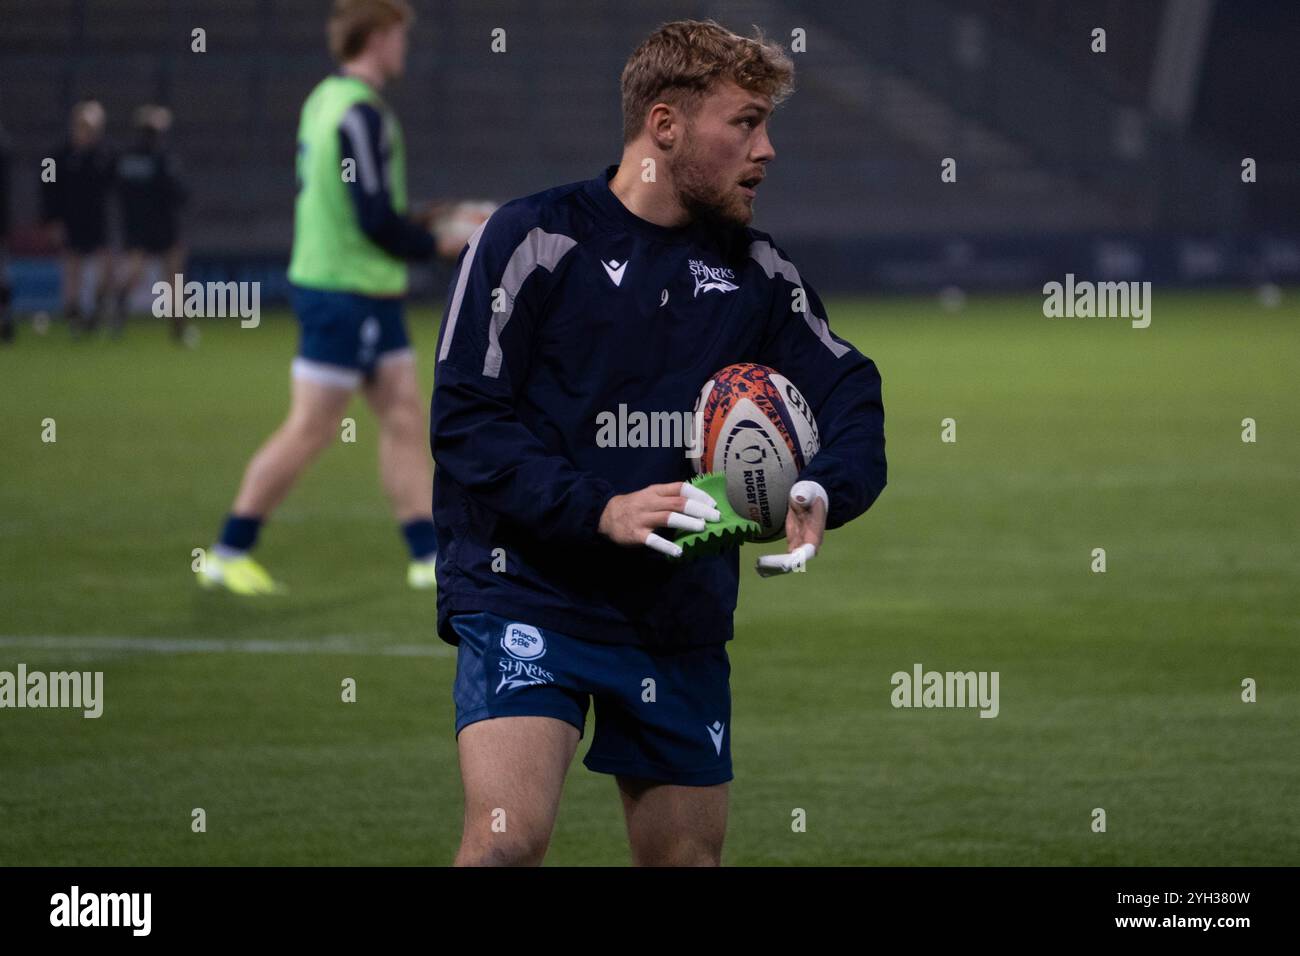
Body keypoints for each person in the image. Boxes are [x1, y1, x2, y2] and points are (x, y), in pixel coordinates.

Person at [431, 19, 887, 866]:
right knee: (507, 844)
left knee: (686, 862)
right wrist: (594, 508)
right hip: (530, 590)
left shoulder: (756, 273)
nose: (768, 149)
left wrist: (824, 488)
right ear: (665, 126)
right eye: (745, 123)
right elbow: (465, 416)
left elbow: (850, 387)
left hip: (675, 613)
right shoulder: (534, 239)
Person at [197, 0, 472, 595]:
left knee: (401, 414)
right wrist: (440, 243)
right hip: (344, 292)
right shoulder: (360, 114)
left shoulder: (326, 101)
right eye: (399, 36)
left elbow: (363, 205)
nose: (405, 48)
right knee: (312, 427)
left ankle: (427, 556)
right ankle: (227, 549)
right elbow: (373, 218)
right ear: (376, 36)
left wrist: (428, 222)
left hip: (360, 289)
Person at [111, 105, 190, 342]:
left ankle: (119, 313)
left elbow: (119, 191)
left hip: (139, 226)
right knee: (173, 279)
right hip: (162, 226)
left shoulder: (126, 159)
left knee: (144, 275)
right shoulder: (164, 159)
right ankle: (178, 329)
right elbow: (179, 194)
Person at [41, 100, 116, 336]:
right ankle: (73, 316)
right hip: (70, 220)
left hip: (98, 220)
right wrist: (51, 219)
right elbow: (47, 188)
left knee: (106, 267)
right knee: (72, 268)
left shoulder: (105, 156)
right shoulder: (55, 157)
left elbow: (116, 187)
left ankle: (98, 311)